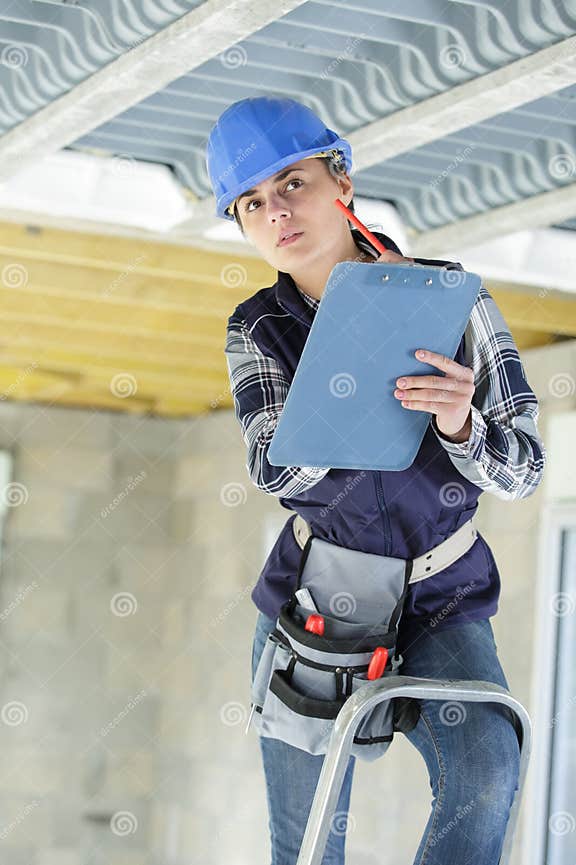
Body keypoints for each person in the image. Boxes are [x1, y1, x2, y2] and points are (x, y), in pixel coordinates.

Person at [206, 96, 547, 865]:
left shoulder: (450, 295)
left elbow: (524, 468)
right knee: (307, 843)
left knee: (488, 768)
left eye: (291, 183)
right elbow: (271, 467)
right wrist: (351, 360)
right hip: (317, 598)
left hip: (443, 593)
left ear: (342, 182)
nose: (276, 213)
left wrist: (462, 423)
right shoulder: (257, 327)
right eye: (251, 203)